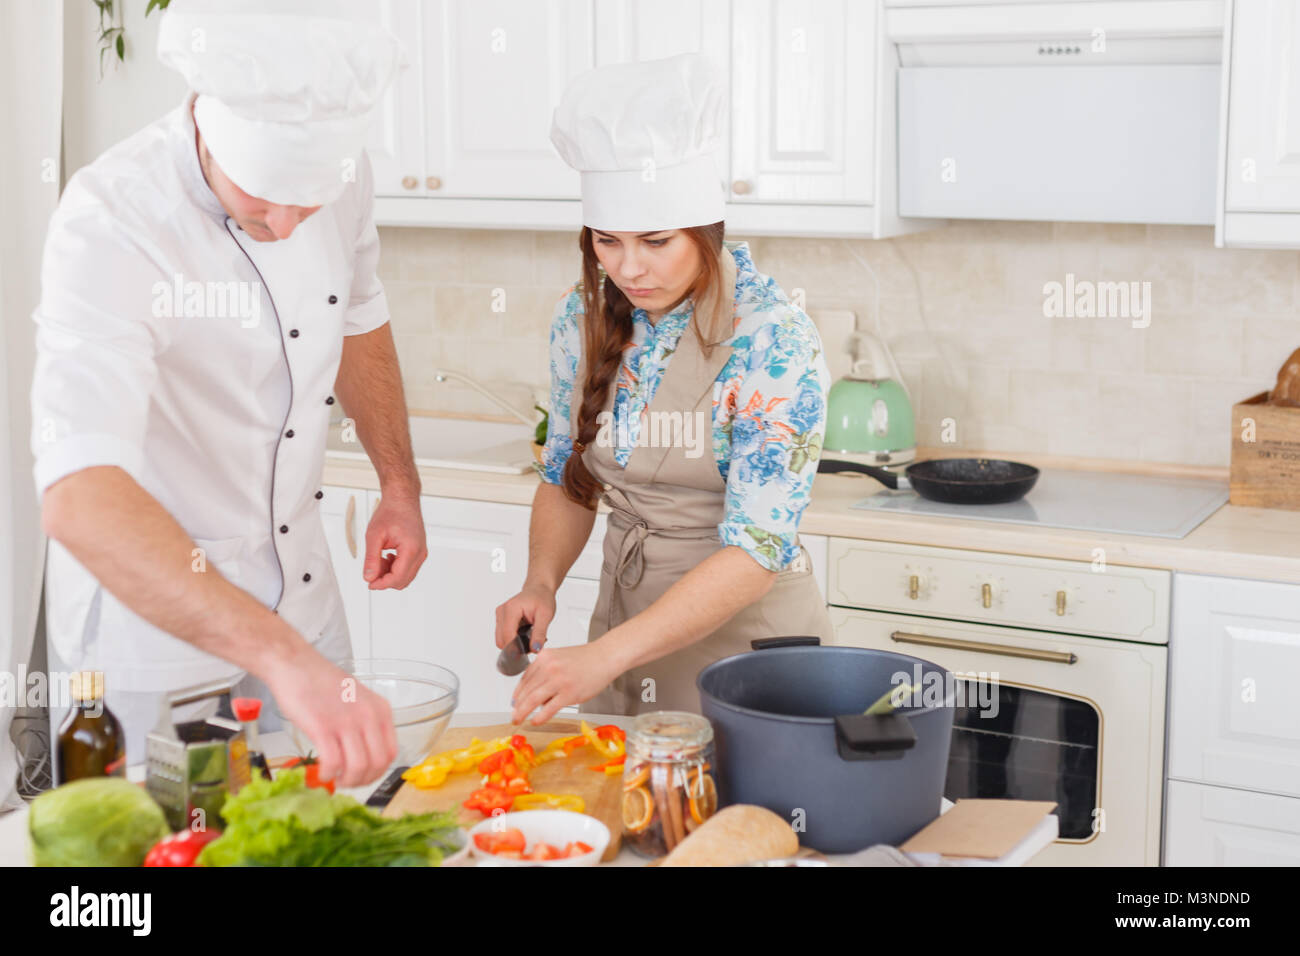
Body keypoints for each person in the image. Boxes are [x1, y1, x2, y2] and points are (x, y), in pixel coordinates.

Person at [31, 0, 424, 787]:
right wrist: (280, 659)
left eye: (306, 204)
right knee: (172, 840)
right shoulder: (112, 216)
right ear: (209, 125)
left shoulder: (343, 177)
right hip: (157, 632)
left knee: (331, 822)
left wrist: (399, 482)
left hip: (302, 599)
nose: (285, 224)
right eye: (259, 197)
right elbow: (79, 493)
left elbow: (358, 315)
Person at [496, 54, 833, 723]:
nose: (628, 267)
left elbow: (757, 549)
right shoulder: (582, 318)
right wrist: (540, 582)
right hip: (622, 632)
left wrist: (606, 656)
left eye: (655, 240)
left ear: (706, 230)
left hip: (747, 655)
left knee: (733, 823)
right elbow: (568, 475)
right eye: (607, 240)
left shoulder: (774, 339)